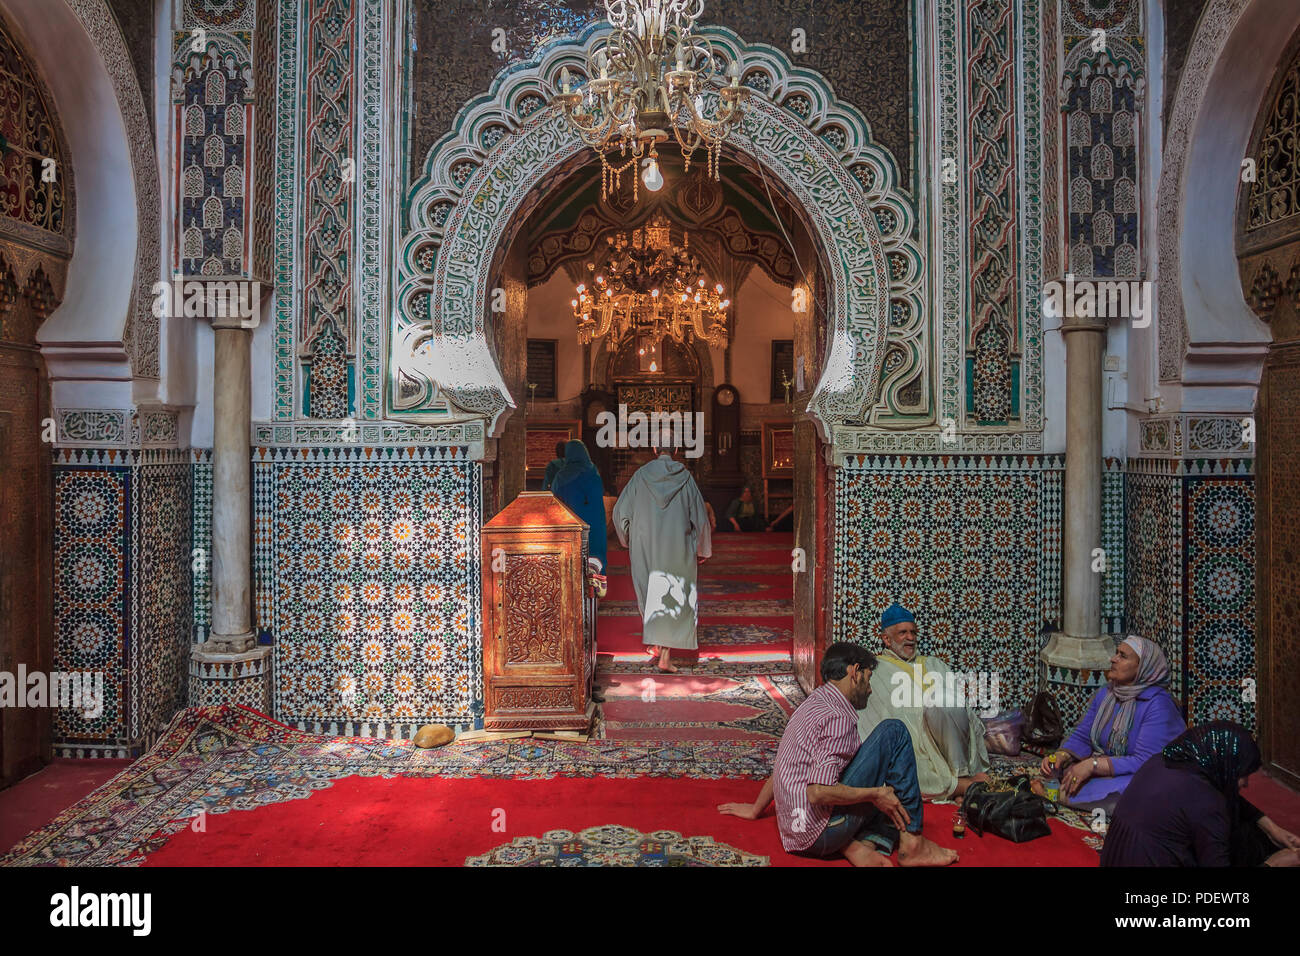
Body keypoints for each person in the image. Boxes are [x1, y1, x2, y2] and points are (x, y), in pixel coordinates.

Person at [716, 642, 957, 866]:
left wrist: (756, 809)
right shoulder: (839, 718)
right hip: (820, 834)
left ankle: (858, 846)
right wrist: (875, 794)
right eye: (868, 678)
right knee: (894, 732)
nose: (871, 689)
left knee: (884, 787)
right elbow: (817, 792)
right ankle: (913, 842)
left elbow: (787, 764)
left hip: (793, 828)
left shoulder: (814, 703)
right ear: (855, 672)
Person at [1101, 721, 1300, 867]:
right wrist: (1274, 864)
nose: (1246, 783)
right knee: (1243, 837)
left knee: (1243, 823)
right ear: (1226, 764)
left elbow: (1230, 797)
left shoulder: (1165, 760)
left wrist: (1272, 829)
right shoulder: (1208, 804)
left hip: (1118, 858)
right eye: (1242, 774)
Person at [1035, 635, 1184, 814]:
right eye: (1116, 653)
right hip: (1111, 767)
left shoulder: (1157, 705)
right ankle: (1070, 793)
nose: (1113, 659)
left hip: (1148, 775)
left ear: (1143, 668)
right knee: (1065, 770)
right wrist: (1062, 756)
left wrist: (1093, 766)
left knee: (1134, 788)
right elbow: (1083, 735)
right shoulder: (1107, 693)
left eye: (1123, 656)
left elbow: (1147, 762)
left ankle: (1058, 796)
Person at [857, 603, 990, 800]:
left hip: (949, 742)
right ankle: (959, 786)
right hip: (915, 743)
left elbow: (963, 710)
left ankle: (959, 777)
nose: (910, 638)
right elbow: (877, 716)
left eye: (913, 632)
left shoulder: (935, 664)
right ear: (886, 639)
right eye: (903, 633)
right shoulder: (876, 671)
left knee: (945, 701)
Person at [612, 444, 712, 673]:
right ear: (676, 450)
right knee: (671, 594)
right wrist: (702, 549)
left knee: (649, 592)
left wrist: (627, 539)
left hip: (644, 545)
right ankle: (664, 654)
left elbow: (620, 513)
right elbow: (700, 517)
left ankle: (659, 648)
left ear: (655, 449)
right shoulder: (686, 478)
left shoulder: (639, 477)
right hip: (677, 545)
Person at [550, 439, 607, 572]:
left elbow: (553, 502)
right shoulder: (594, 473)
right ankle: (595, 587)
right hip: (595, 525)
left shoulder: (562, 476)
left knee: (573, 564)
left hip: (571, 527)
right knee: (595, 557)